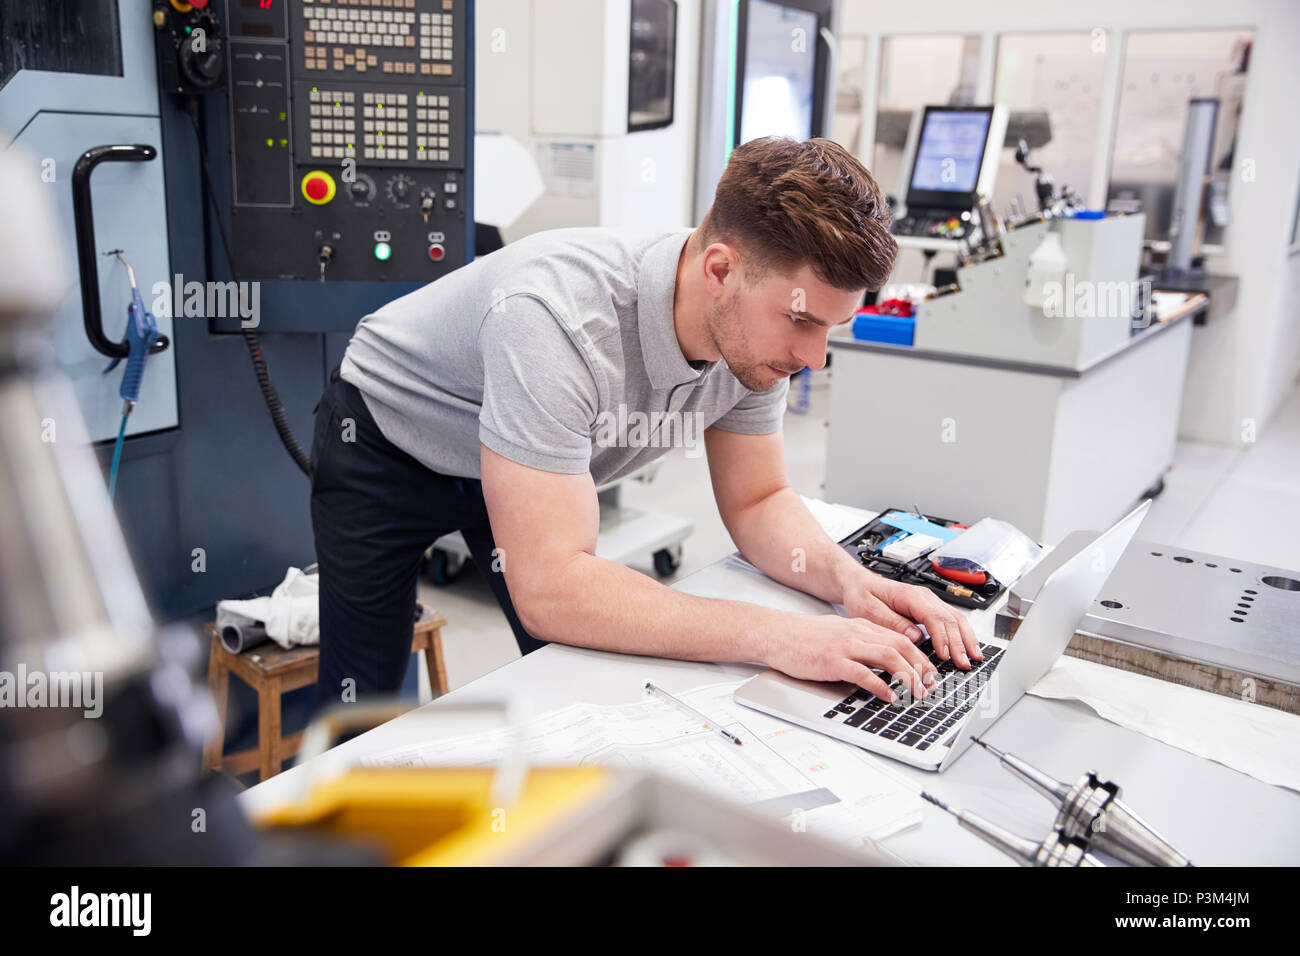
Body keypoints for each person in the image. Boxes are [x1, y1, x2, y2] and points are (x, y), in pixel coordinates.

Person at [309, 136, 979, 709]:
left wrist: (852, 583)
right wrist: (781, 634)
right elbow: (550, 587)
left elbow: (759, 499)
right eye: (802, 320)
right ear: (721, 270)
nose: (813, 357)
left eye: (832, 328)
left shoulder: (753, 343)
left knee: (587, 675)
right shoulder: (556, 319)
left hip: (527, 463)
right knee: (366, 704)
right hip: (386, 441)